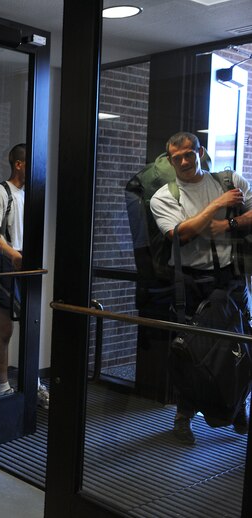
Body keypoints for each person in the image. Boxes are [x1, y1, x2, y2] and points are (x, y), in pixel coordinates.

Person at [150, 131, 251, 445]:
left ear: (201, 152)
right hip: (193, 282)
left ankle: (238, 406)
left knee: (240, 345)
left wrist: (230, 223)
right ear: (170, 161)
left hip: (232, 278)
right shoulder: (164, 197)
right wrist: (218, 205)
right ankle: (184, 416)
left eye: (188, 154)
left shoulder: (229, 180)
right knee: (191, 351)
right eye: (176, 157)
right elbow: (181, 234)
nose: (183, 162)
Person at [0, 143, 49, 408]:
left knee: (30, 326)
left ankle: (32, 384)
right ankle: (3, 389)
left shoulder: (31, 194)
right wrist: (13, 255)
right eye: (31, 162)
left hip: (25, 263)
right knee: (5, 329)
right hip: (5, 264)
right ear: (19, 164)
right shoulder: (1, 192)